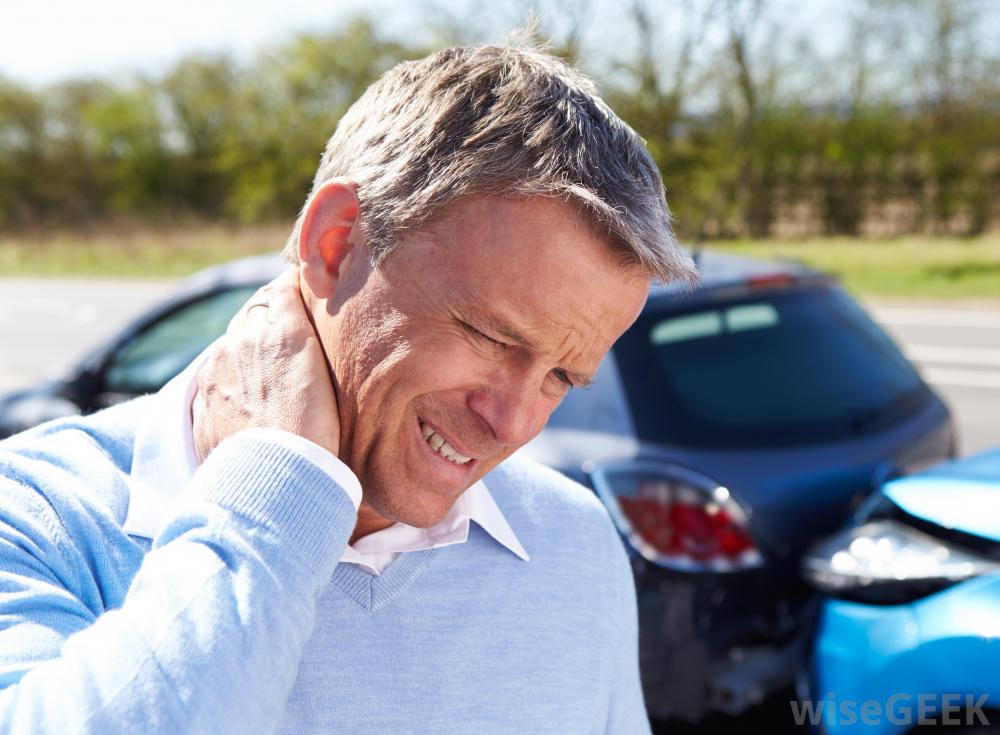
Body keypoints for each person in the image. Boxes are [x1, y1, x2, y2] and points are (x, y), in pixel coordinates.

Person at [0, 42, 696, 734]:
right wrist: (271, 496)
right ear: (336, 243)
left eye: (560, 377)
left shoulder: (575, 543)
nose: (511, 424)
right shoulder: (32, 520)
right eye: (491, 336)